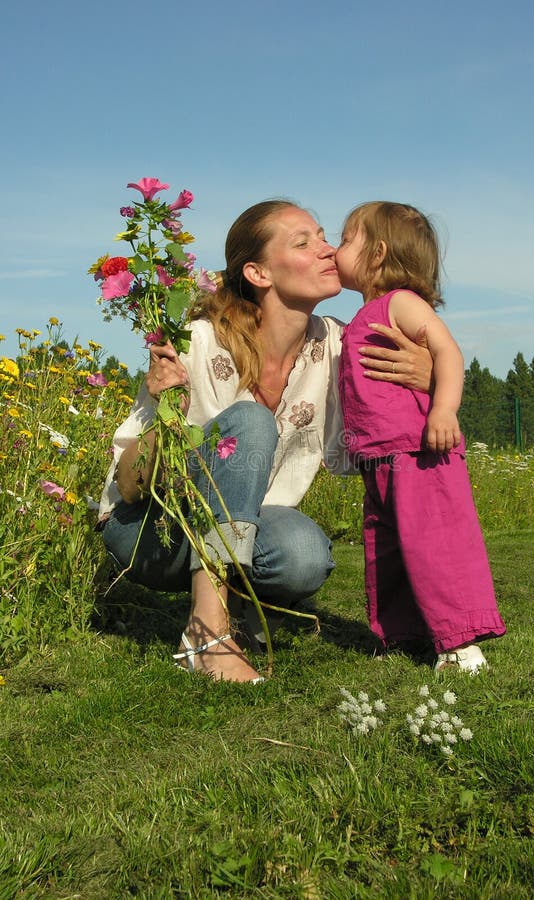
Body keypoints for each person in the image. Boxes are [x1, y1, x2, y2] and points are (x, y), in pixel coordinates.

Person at [98, 200, 434, 683]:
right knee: (251, 422)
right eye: (305, 242)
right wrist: (163, 421)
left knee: (305, 554)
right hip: (150, 529)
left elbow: (404, 403)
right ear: (258, 272)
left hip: (244, 526)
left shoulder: (340, 345)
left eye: (324, 236)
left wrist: (428, 376)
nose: (328, 250)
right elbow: (129, 487)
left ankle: (235, 608)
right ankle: (206, 632)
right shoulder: (194, 341)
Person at [336, 201, 505, 672]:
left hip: (419, 450)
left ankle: (459, 640)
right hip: (382, 458)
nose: (336, 248)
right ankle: (403, 633)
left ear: (378, 253)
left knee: (437, 544)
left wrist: (444, 409)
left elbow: (448, 353)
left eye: (347, 239)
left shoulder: (401, 303)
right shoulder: (365, 313)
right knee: (387, 546)